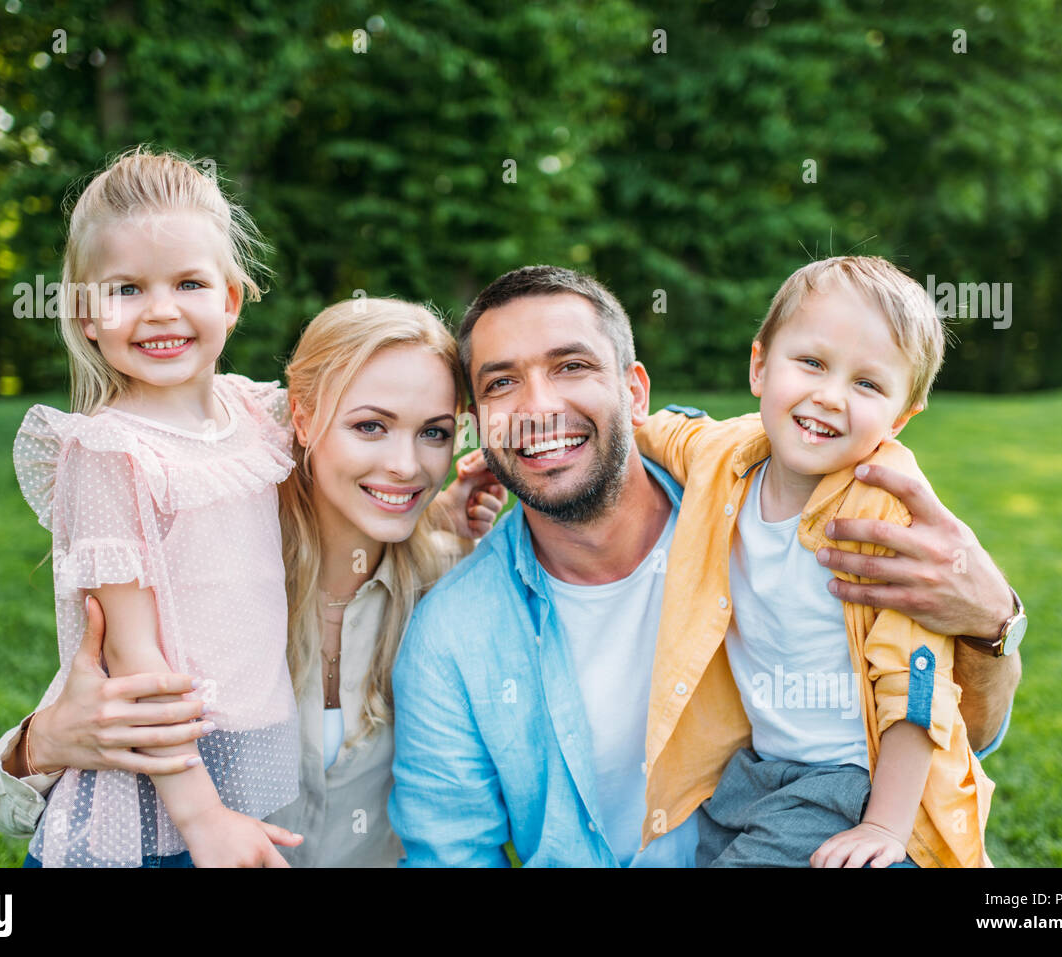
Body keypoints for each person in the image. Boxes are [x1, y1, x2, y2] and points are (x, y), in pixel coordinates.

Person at [388, 264, 1022, 867]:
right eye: (501, 383)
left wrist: (995, 622)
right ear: (477, 424)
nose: (539, 407)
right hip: (747, 807)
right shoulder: (452, 636)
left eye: (572, 366)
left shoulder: (828, 518)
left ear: (634, 392)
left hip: (835, 804)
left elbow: (952, 723)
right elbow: (451, 854)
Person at [0, 155, 503, 865]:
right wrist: (45, 748)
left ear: (230, 298)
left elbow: (379, 467)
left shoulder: (249, 417)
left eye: (188, 283)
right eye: (127, 288)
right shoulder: (109, 450)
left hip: (239, 799)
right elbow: (137, 666)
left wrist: (438, 514)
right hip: (163, 814)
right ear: (84, 313)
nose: (162, 309)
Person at [638, 256, 1018, 868]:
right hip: (755, 768)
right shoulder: (726, 455)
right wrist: (612, 421)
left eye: (867, 384)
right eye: (811, 363)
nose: (829, 396)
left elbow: (914, 685)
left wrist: (886, 828)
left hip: (849, 781)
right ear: (760, 365)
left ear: (899, 419)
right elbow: (672, 433)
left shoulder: (884, 517)